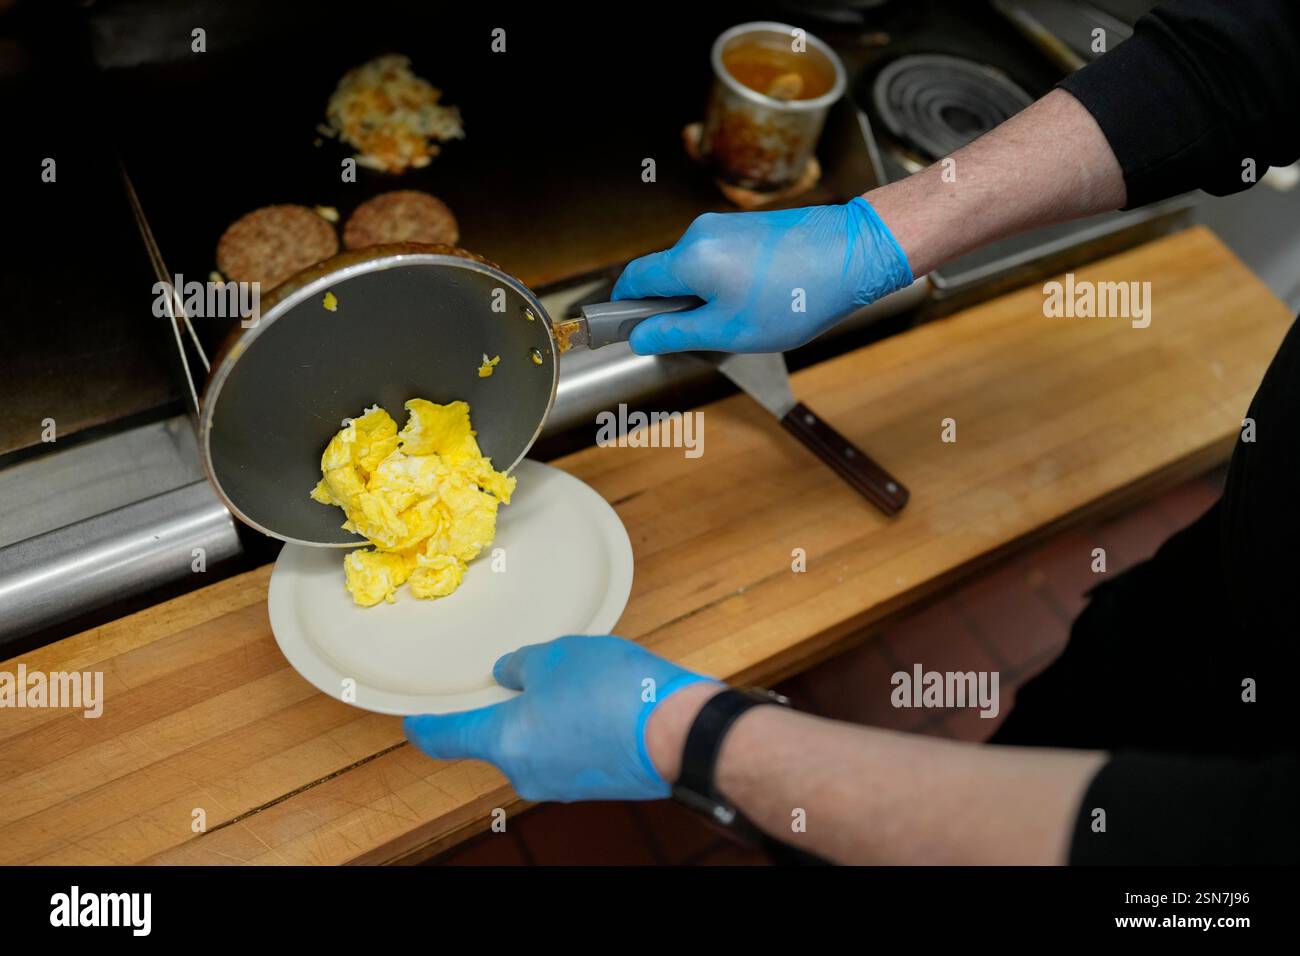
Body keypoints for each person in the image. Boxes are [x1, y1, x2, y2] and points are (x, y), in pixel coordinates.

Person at [405, 0, 1300, 864]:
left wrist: (692, 738)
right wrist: (876, 233)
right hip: (1216, 601)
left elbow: (1203, 844)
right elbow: (1252, 55)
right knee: (1080, 709)